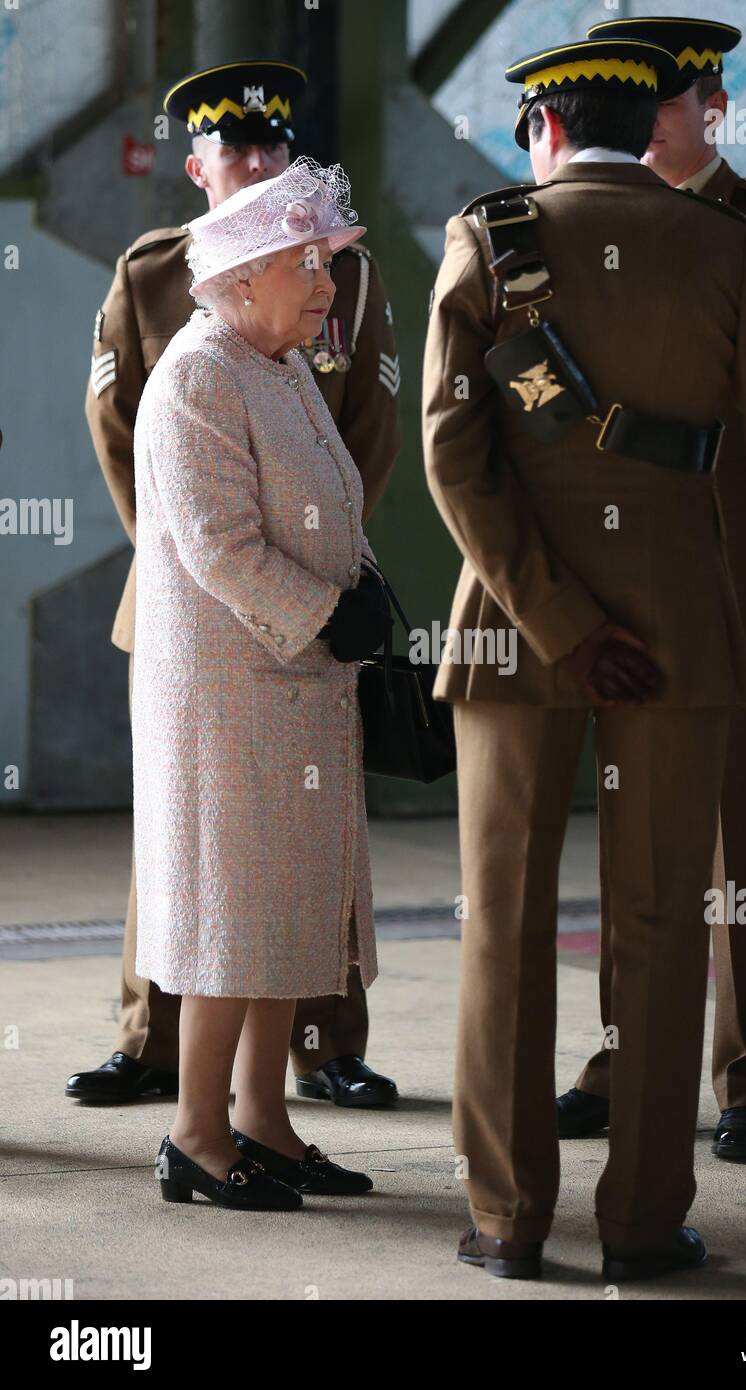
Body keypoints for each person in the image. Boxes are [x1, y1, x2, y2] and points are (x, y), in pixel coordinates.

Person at [423, 36, 746, 1280]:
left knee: (503, 919)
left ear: (544, 129)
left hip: (515, 625)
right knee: (665, 920)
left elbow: (454, 456)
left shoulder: (488, 236)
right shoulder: (726, 245)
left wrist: (560, 618)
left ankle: (506, 1220)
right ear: (645, 123)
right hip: (679, 623)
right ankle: (641, 1223)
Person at [558, 15, 746, 1162]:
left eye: (673, 101)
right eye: (636, 104)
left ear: (713, 108)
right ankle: (622, 1058)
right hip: (620, 580)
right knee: (631, 836)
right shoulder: (590, 225)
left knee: (745, 845)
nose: (651, 124)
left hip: (734, 584)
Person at [71, 60, 400, 1114]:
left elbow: (368, 430)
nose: (258, 162)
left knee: (296, 856)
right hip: (204, 610)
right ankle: (157, 1048)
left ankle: (319, 1052)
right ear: (198, 166)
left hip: (306, 591)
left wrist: (332, 570)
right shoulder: (158, 281)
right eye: (237, 147)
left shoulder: (329, 285)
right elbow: (120, 434)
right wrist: (192, 562)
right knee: (198, 856)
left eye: (273, 145)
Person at [135, 157, 388, 1209]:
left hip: (294, 683)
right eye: (305, 265)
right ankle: (196, 1137)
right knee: (230, 916)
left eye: (326, 262)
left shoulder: (276, 364)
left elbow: (328, 501)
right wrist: (330, 613)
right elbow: (221, 548)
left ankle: (262, 1121)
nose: (326, 284)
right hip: (230, 694)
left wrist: (362, 585)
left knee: (283, 910)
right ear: (240, 277)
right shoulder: (201, 373)